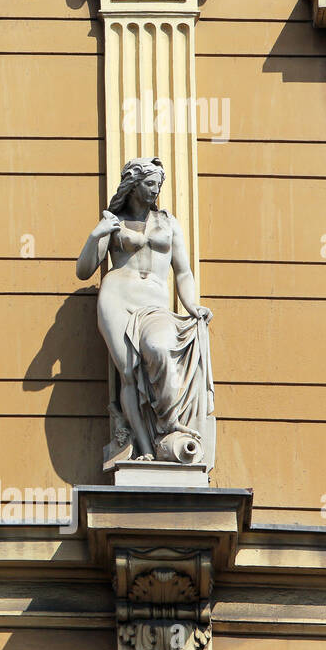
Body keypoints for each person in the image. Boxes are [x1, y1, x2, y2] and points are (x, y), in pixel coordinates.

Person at [75, 157, 215, 466]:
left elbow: (183, 272)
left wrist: (192, 306)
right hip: (116, 298)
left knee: (160, 348)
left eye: (159, 185)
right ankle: (142, 446)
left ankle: (168, 423)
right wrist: (97, 234)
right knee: (128, 372)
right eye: (150, 184)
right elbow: (84, 271)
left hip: (154, 303)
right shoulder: (113, 220)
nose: (155, 191)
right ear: (134, 185)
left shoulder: (168, 222)